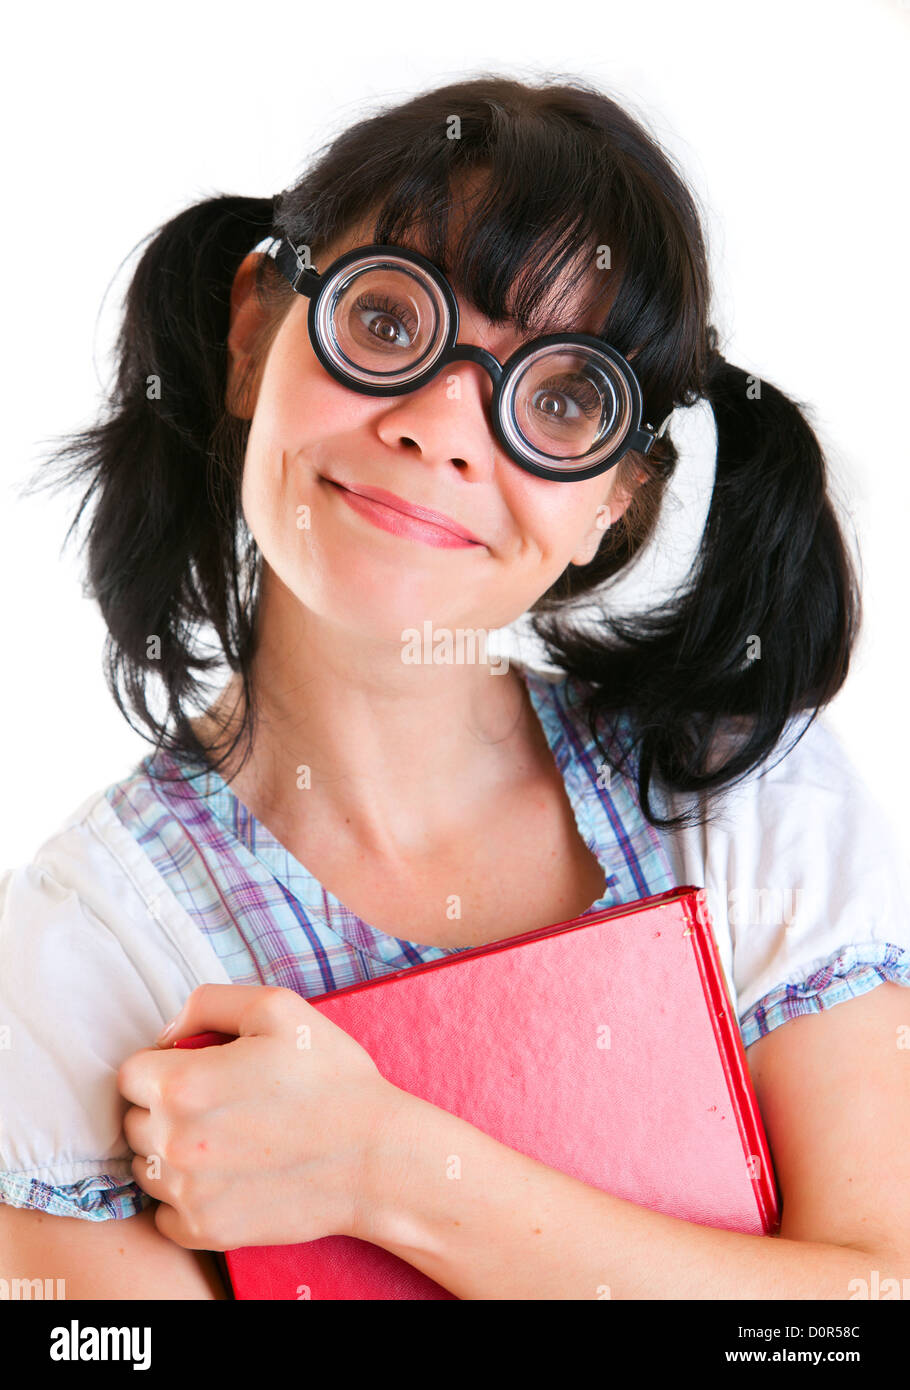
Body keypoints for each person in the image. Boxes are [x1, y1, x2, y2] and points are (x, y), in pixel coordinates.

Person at [2, 73, 908, 1301]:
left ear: (612, 499)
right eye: (388, 325)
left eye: (561, 397)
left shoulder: (744, 794)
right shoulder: (82, 958)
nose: (441, 427)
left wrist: (391, 1171)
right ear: (253, 332)